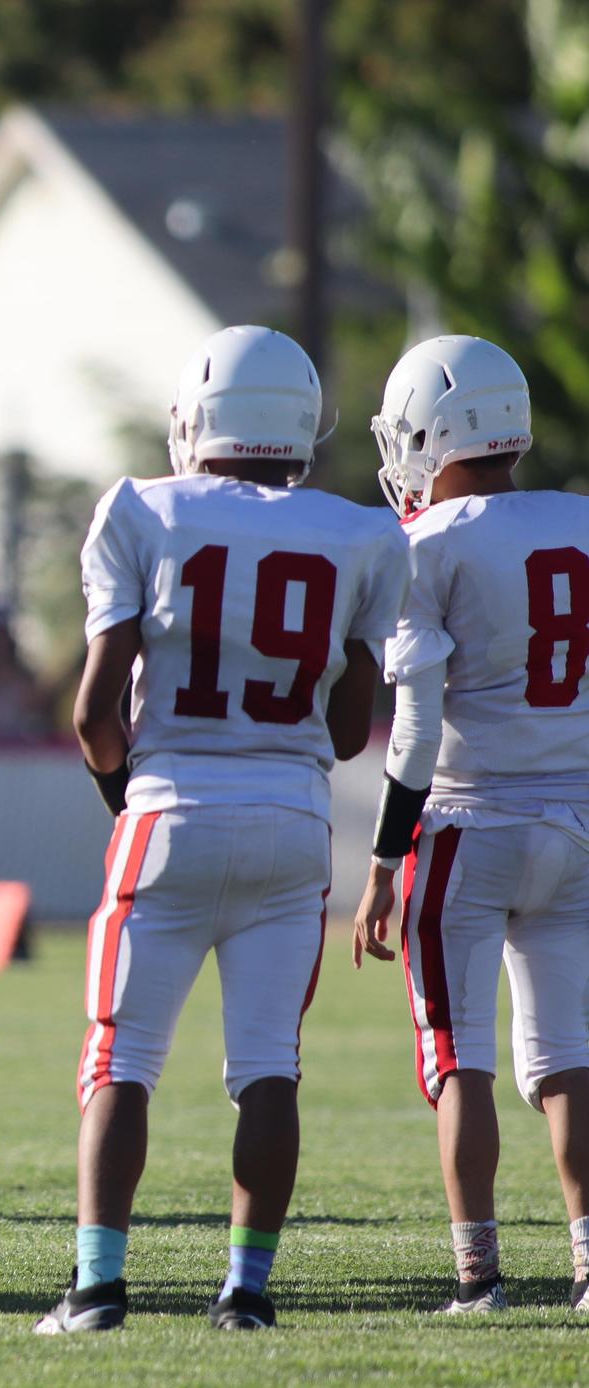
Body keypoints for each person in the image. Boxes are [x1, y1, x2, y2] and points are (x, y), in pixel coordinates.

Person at [36, 325, 407, 1334]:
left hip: (166, 813)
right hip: (291, 824)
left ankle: (98, 1288)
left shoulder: (140, 509)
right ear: (300, 426)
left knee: (121, 1059)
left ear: (194, 421)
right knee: (267, 1067)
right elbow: (341, 729)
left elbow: (93, 714)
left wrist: (130, 795)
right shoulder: (358, 533)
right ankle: (245, 1292)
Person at [349, 335, 589, 1314]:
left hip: (465, 821)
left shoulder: (426, 542)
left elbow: (412, 725)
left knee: (460, 1059)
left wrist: (380, 860)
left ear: (433, 433)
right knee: (568, 1056)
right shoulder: (579, 519)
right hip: (575, 824)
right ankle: (585, 1267)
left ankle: (479, 1275)